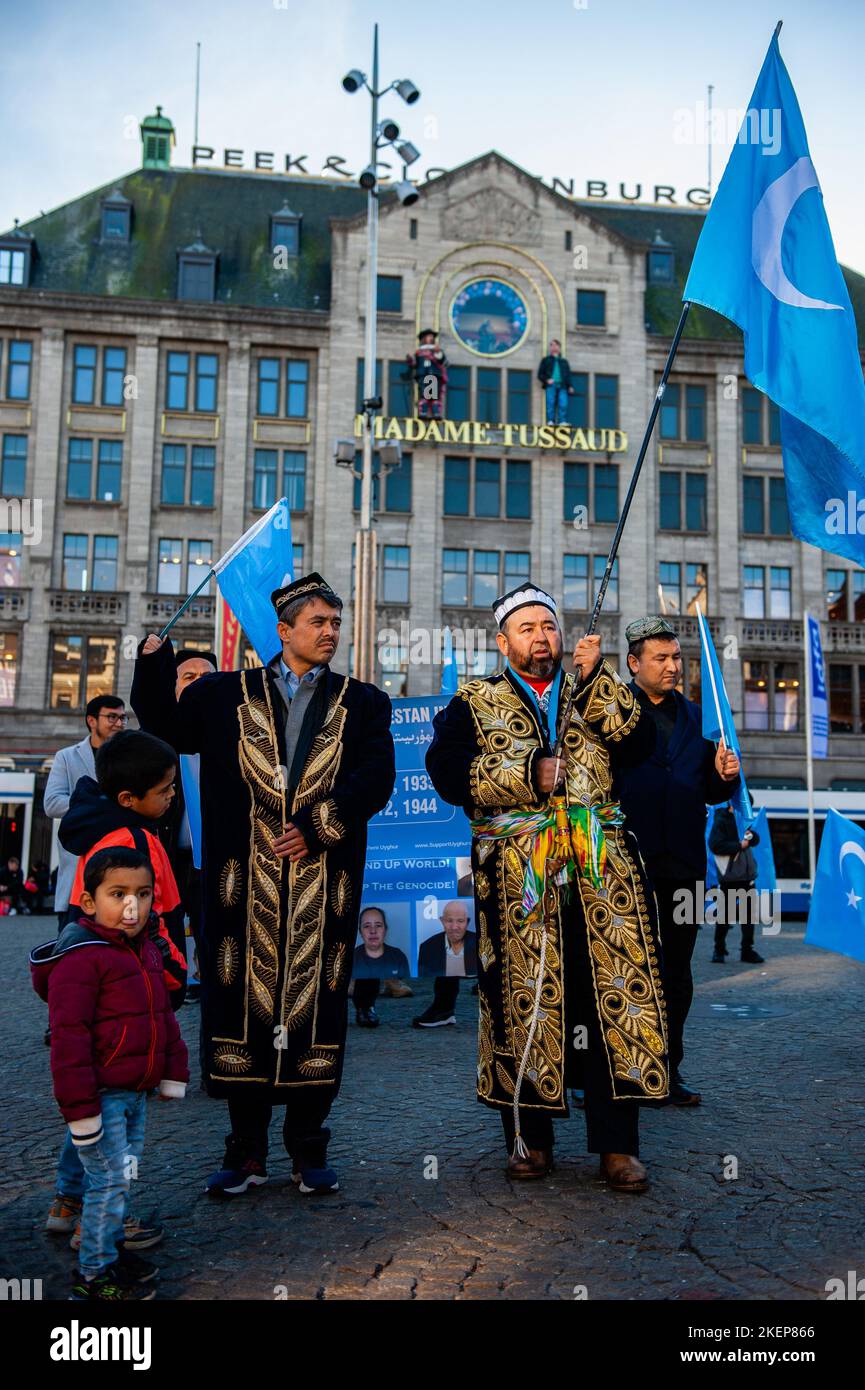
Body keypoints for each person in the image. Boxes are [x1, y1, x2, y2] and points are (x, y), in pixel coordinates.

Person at [131, 572, 395, 1199]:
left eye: (336, 623)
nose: (330, 633)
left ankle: (308, 1149)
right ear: (284, 631)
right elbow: (165, 724)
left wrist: (317, 826)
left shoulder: (364, 701)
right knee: (238, 1004)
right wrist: (152, 662)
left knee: (315, 1005)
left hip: (322, 882)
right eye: (319, 623)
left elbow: (375, 778)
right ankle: (244, 1150)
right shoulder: (225, 694)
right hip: (238, 885)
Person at [426, 581, 667, 1192]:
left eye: (549, 627)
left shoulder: (594, 686)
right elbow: (446, 773)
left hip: (599, 877)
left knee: (610, 1004)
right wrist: (524, 774)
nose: (542, 638)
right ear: (503, 640)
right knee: (524, 1004)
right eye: (528, 628)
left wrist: (599, 680)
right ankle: (530, 1139)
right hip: (519, 884)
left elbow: (641, 745)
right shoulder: (473, 701)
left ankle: (617, 1146)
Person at [43, 729, 187, 1253]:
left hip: (102, 999)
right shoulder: (139, 844)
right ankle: (106, 1222)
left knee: (98, 1109)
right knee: (121, 1125)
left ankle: (66, 1201)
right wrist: (174, 977)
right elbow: (157, 922)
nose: (173, 796)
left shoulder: (102, 834)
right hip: (131, 997)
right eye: (166, 789)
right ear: (130, 799)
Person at [30, 846, 189, 1301]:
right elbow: (68, 1040)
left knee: (124, 1175)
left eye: (142, 893)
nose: (131, 906)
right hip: (100, 1095)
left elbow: (164, 1016)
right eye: (117, 894)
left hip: (133, 1092)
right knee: (109, 1179)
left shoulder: (143, 952)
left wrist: (172, 1072)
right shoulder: (82, 961)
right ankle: (95, 1271)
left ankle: (112, 1248)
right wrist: (80, 1111)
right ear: (88, 901)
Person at [613, 616, 741, 1108]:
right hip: (626, 862)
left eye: (676, 658)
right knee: (625, 969)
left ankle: (667, 1069)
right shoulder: (616, 710)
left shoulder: (697, 716)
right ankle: (620, 1071)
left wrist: (724, 777)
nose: (671, 667)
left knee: (678, 974)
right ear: (634, 663)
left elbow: (709, 790)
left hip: (685, 865)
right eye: (660, 659)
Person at [157, 650, 219, 1001]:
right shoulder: (157, 739)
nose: (199, 684)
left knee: (216, 945)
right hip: (166, 860)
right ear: (174, 687)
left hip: (212, 861)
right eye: (188, 677)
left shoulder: (234, 737)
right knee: (164, 949)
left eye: (207, 676)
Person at [43, 694, 128, 929]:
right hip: (77, 874)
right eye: (112, 717)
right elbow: (51, 803)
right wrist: (96, 807)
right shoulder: (67, 757)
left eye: (123, 718)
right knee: (73, 950)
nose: (119, 723)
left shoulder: (131, 758)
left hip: (121, 869)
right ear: (91, 720)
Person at [708, 805, 765, 963]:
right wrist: (739, 846)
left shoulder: (744, 821)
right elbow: (715, 845)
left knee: (748, 917)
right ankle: (718, 950)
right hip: (730, 878)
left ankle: (747, 951)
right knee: (725, 916)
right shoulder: (722, 820)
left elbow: (755, 840)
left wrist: (751, 836)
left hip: (748, 878)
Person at [351, 906, 411, 1028]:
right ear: (360, 931)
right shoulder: (353, 957)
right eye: (367, 926)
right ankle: (364, 1005)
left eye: (378, 925)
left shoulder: (398, 956)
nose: (373, 931)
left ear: (385, 929)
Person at [417, 901, 477, 977]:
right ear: (442, 921)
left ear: (467, 922)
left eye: (460, 921)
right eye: (449, 921)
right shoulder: (427, 948)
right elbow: (424, 983)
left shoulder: (481, 943)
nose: (454, 927)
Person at [404, 329, 448, 419]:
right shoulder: (419, 352)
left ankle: (436, 413)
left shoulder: (436, 350)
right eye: (429, 336)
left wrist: (437, 352)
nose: (431, 338)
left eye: (432, 337)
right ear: (424, 339)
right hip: (423, 375)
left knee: (433, 395)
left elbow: (442, 360)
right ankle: (423, 412)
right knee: (424, 395)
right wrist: (410, 360)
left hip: (434, 374)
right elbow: (415, 364)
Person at [537, 339, 575, 426]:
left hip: (563, 385)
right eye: (551, 345)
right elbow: (540, 374)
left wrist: (570, 386)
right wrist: (547, 380)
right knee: (550, 402)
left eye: (555, 345)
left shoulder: (564, 361)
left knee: (563, 403)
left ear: (559, 347)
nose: (553, 347)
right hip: (551, 384)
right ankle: (551, 420)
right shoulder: (546, 360)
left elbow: (568, 375)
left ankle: (562, 421)